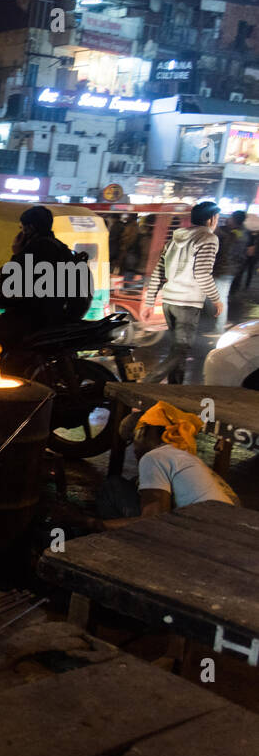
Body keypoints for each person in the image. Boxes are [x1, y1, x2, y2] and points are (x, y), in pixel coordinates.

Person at [84, 403, 237, 530]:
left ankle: (121, 544)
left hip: (201, 534)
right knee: (135, 483)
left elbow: (154, 521)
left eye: (133, 439)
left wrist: (92, 523)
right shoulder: (183, 456)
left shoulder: (155, 457)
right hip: (226, 526)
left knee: (113, 486)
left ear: (144, 432)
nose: (133, 449)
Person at [140, 201, 222, 385]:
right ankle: (147, 383)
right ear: (211, 219)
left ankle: (175, 389)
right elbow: (202, 273)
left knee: (177, 350)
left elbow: (158, 272)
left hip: (169, 301)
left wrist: (149, 302)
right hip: (187, 303)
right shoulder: (208, 239)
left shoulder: (174, 240)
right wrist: (217, 299)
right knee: (181, 350)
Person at [0, 205, 91, 341]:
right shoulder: (62, 249)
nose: (20, 233)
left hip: (30, 318)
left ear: (30, 228)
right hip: (56, 317)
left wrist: (16, 254)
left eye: (22, 228)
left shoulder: (35, 249)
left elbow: (12, 285)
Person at [215, 209, 248, 322]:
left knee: (220, 299)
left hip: (224, 271)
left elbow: (225, 254)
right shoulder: (240, 233)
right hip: (229, 271)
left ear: (234, 220)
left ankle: (218, 328)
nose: (228, 219)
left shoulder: (235, 235)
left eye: (230, 218)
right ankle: (216, 325)